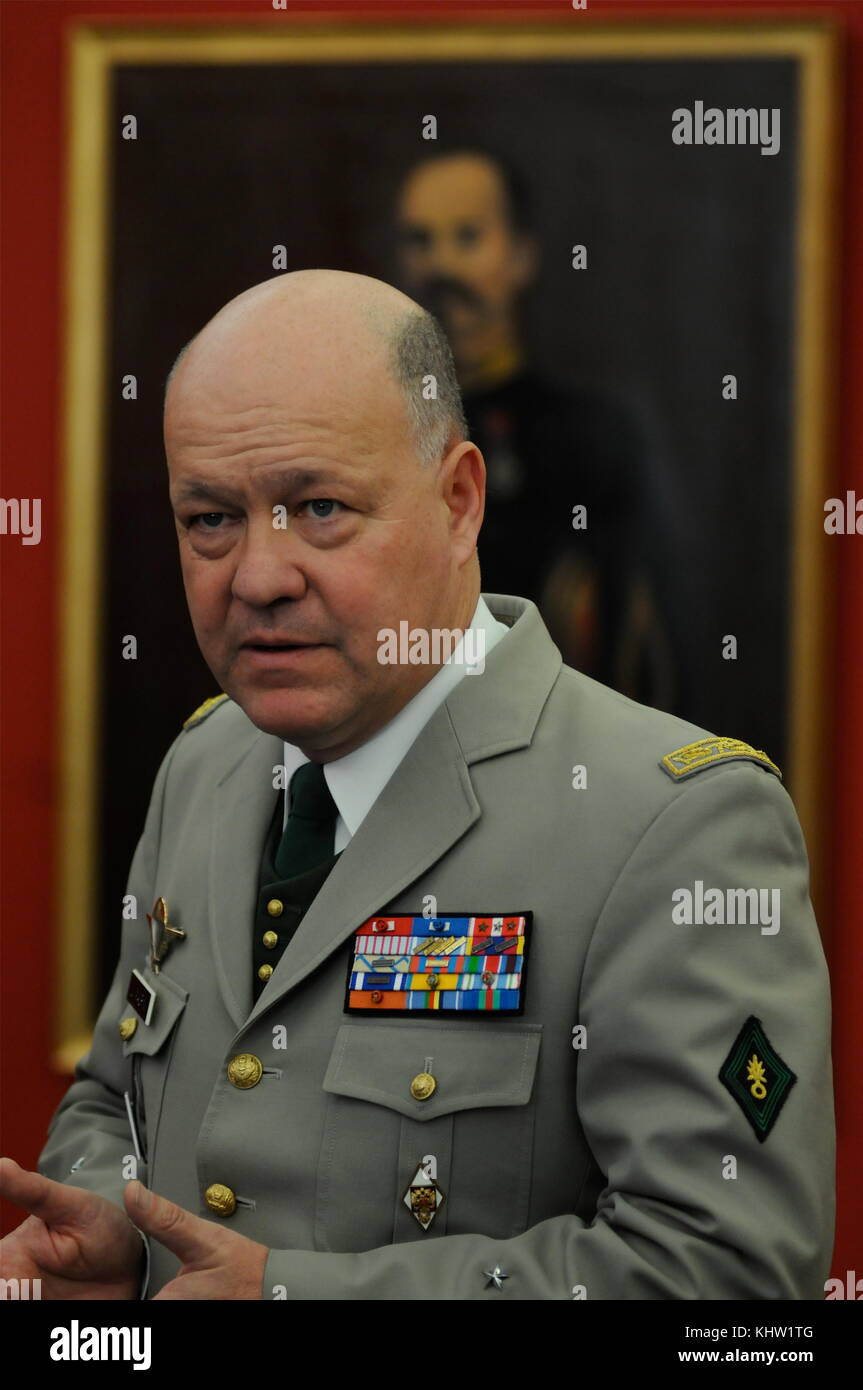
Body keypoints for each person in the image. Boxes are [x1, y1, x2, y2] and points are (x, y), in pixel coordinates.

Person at [0, 270, 833, 1300]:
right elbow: (113, 1093)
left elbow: (729, 1278)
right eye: (210, 518)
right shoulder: (208, 761)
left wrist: (295, 1297)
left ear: (458, 501)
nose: (256, 574)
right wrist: (110, 1213)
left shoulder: (671, 826)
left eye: (318, 507)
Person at [393, 148, 677, 708]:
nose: (443, 267)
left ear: (522, 256)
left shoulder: (593, 437)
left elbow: (638, 641)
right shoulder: (379, 428)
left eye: (468, 237)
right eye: (422, 242)